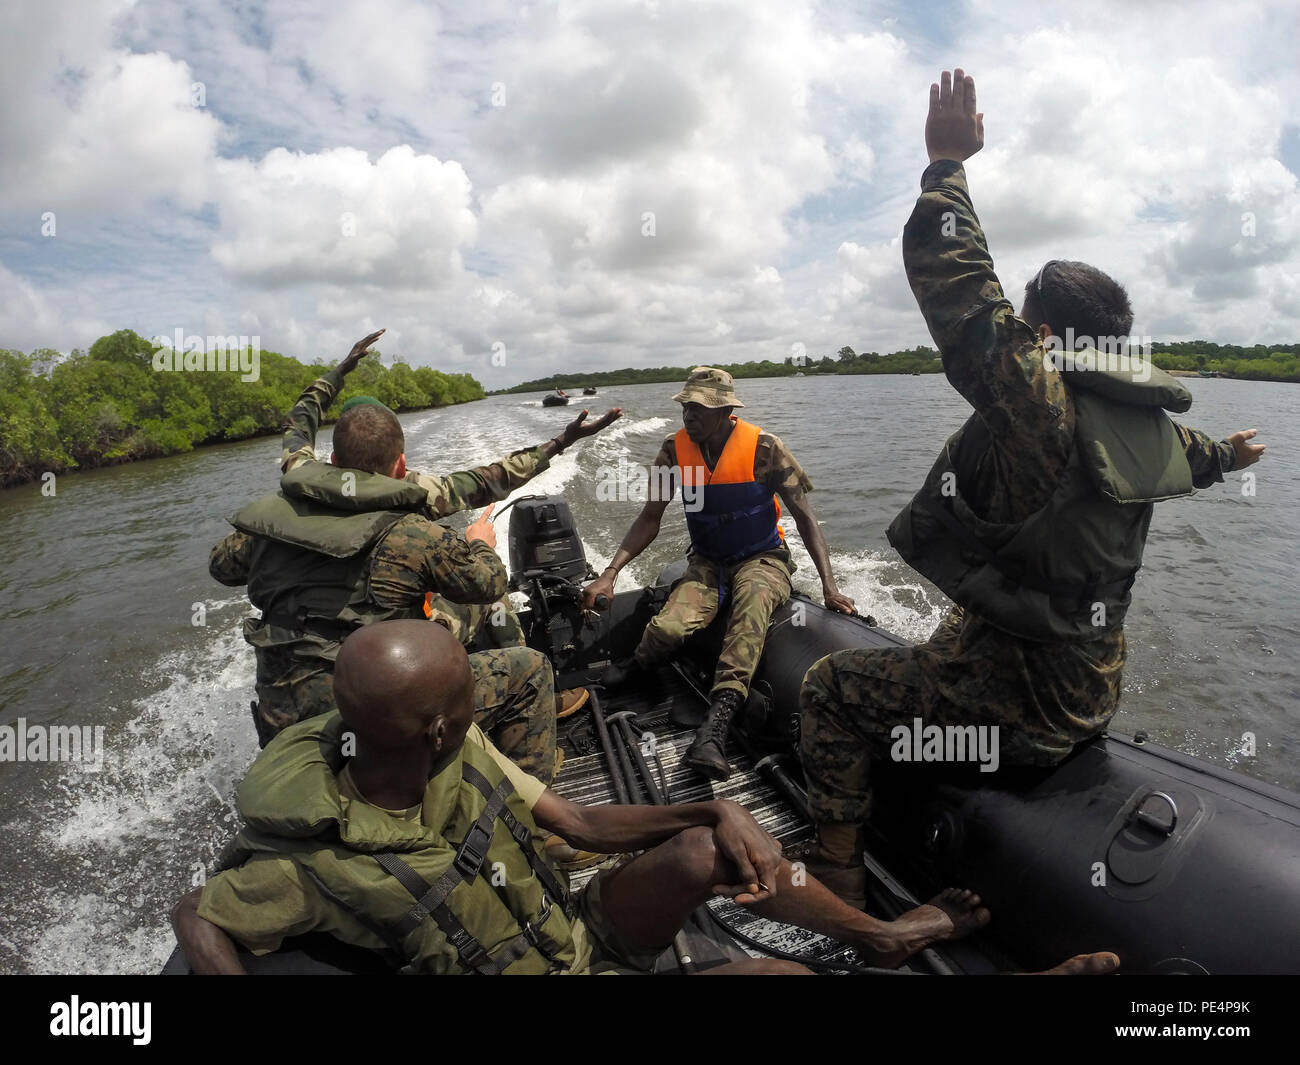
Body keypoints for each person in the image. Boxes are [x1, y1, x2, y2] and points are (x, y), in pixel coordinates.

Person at [797, 69, 1267, 904]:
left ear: (1046, 333)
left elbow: (961, 292)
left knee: (829, 688)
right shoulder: (1147, 427)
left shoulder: (1038, 403)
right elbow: (1194, 458)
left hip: (1017, 714)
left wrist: (947, 163)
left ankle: (836, 863)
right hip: (1089, 694)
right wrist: (1230, 453)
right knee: (956, 622)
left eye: (1028, 320)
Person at [170, 620, 1119, 975]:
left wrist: (711, 811)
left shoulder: (452, 758)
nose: (483, 699)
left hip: (573, 930)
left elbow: (579, 820)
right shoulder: (312, 853)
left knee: (716, 853)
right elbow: (200, 916)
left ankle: (882, 935)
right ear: (437, 725)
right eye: (470, 694)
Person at [209, 331, 619, 786]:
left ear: (331, 457)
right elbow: (490, 533)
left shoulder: (277, 513)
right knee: (513, 640)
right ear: (400, 467)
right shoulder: (418, 514)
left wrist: (339, 371)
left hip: (280, 714)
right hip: (381, 717)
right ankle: (536, 818)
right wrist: (484, 536)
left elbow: (296, 427)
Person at [582, 367, 855, 783]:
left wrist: (829, 588)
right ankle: (640, 664)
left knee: (751, 610)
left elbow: (806, 519)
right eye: (687, 406)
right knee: (668, 629)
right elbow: (650, 517)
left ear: (727, 410)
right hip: (707, 561)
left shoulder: (766, 449)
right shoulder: (674, 452)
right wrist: (610, 574)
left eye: (701, 407)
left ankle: (716, 726)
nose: (690, 415)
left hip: (762, 557)